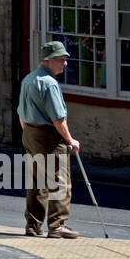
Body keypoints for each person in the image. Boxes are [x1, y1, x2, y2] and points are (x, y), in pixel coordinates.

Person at [16, 40, 80, 238]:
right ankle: (57, 225)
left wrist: (29, 132)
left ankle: (33, 225)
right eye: (61, 60)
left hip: (30, 133)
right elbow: (58, 118)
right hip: (48, 136)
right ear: (48, 60)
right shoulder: (49, 83)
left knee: (37, 181)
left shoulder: (29, 79)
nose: (65, 63)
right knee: (60, 181)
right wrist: (70, 140)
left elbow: (21, 113)